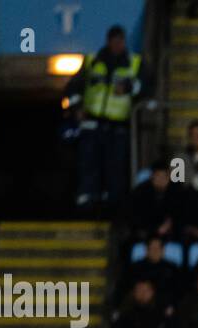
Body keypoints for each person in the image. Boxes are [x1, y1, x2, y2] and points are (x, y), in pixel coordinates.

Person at [65, 25, 147, 209]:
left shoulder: (134, 62)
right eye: (114, 40)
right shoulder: (92, 61)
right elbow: (72, 87)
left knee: (115, 165)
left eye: (120, 41)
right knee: (88, 161)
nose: (117, 44)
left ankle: (113, 202)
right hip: (92, 122)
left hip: (118, 124)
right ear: (108, 41)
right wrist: (77, 107)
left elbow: (147, 86)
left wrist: (128, 88)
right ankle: (87, 199)